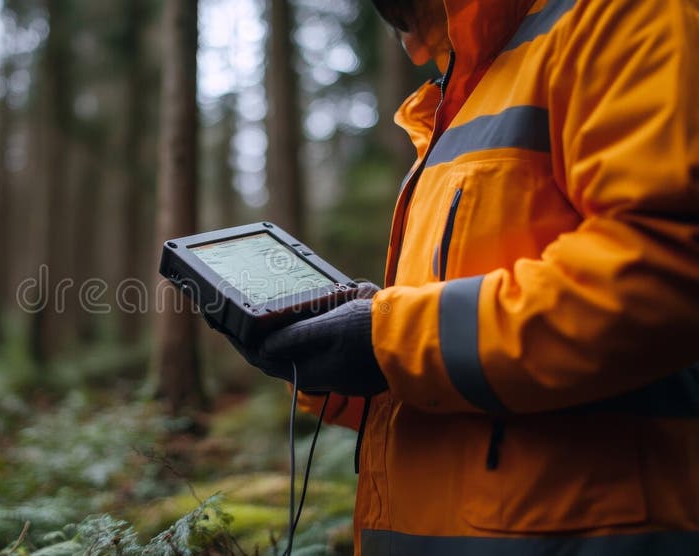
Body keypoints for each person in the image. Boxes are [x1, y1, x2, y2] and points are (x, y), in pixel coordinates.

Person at [231, 0, 699, 554]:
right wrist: (337, 364)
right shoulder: (455, 105)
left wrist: (384, 340)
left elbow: (661, 272)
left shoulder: (626, 18)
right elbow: (444, 363)